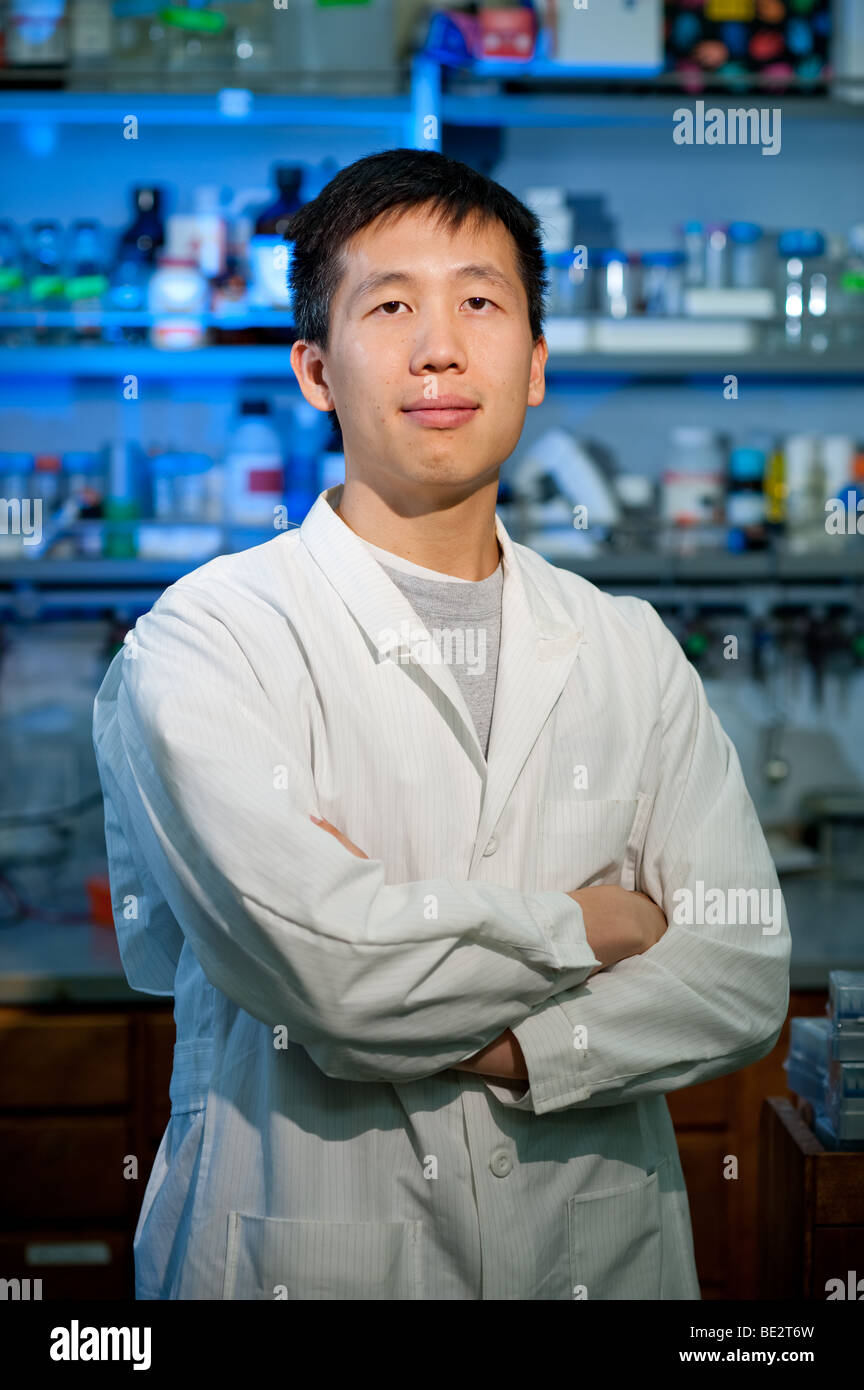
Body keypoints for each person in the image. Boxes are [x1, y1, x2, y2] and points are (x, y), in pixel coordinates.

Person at [92, 148, 790, 1301]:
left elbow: (740, 978)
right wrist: (592, 926)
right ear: (314, 369)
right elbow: (330, 979)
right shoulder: (208, 639)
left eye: (480, 300)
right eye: (391, 304)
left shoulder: (626, 646)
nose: (439, 347)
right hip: (295, 1254)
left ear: (536, 365)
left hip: (598, 1257)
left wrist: (502, 1043)